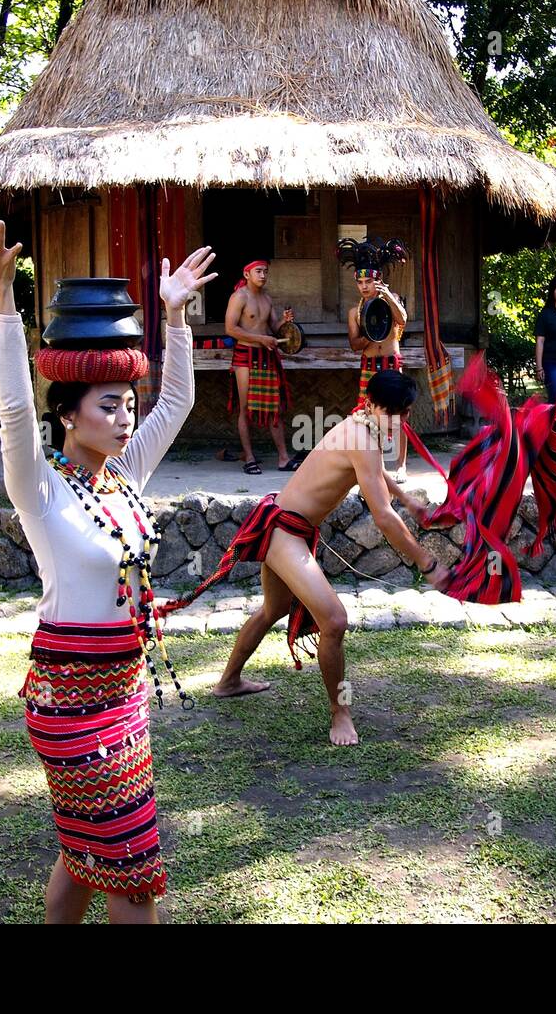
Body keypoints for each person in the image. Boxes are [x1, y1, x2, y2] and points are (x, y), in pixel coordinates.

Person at [0, 213, 215, 925]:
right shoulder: (40, 488)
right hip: (69, 707)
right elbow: (13, 405)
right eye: (110, 405)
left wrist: (173, 316)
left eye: (129, 403)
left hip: (125, 694)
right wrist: (2, 304)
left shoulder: (124, 478)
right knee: (132, 875)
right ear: (69, 416)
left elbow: (180, 402)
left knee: (83, 856)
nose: (128, 417)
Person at [164, 368, 452, 746]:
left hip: (286, 528)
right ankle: (340, 713)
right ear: (379, 406)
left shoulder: (362, 424)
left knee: (273, 609)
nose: (405, 419)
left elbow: (375, 471)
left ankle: (229, 682)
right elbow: (381, 515)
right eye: (401, 412)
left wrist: (408, 499)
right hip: (285, 533)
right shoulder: (361, 436)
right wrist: (426, 563)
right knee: (334, 621)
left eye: (407, 412)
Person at [340, 236, 410, 480]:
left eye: (368, 281)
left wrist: (388, 296)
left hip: (391, 363)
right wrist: (372, 334)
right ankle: (376, 466)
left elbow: (402, 320)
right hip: (369, 365)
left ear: (378, 280)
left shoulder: (393, 300)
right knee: (369, 417)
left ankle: (401, 466)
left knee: (398, 415)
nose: (363, 286)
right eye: (360, 282)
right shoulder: (354, 312)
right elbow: (354, 344)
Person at [224, 259, 298, 475]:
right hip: (245, 356)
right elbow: (230, 328)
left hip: (265, 355)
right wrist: (260, 339)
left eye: (266, 271)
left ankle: (283, 458)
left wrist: (284, 322)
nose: (263, 275)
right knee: (245, 409)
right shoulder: (239, 297)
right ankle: (249, 458)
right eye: (258, 271)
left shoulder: (266, 298)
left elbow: (273, 328)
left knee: (274, 408)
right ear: (247, 274)